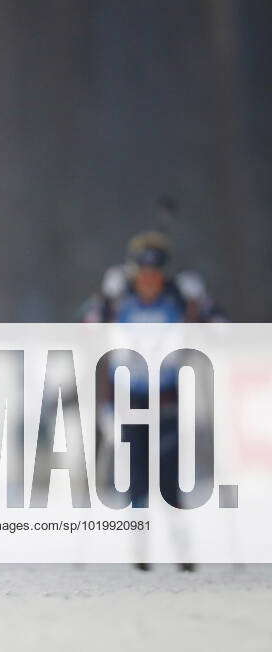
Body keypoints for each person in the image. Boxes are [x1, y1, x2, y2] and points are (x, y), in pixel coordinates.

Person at [82, 230, 225, 571]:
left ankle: (183, 553)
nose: (149, 280)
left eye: (155, 272)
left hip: (167, 401)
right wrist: (103, 299)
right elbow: (87, 327)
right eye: (143, 272)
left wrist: (201, 303)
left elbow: (222, 330)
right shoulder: (120, 298)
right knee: (136, 480)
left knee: (170, 480)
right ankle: (140, 554)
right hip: (129, 400)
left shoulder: (178, 298)